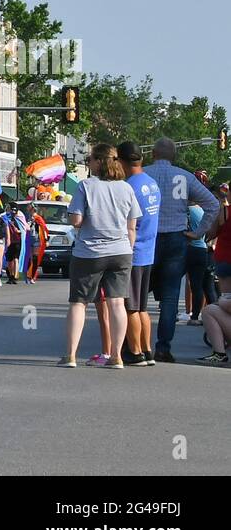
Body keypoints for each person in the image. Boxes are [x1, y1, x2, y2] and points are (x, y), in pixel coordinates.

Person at [60, 144, 141, 369]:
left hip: (89, 252)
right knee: (117, 304)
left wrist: (89, 219)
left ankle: (71, 355)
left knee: (79, 303)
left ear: (98, 161)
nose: (89, 163)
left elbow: (76, 220)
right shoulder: (126, 188)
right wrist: (128, 250)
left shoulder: (86, 186)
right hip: (121, 251)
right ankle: (116, 356)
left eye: (90, 159)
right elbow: (132, 226)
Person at [144, 137, 221, 363]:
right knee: (169, 297)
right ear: (174, 156)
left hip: (148, 239)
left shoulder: (142, 175)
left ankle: (135, 343)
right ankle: (163, 347)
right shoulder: (185, 177)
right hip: (177, 239)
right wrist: (199, 233)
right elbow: (213, 204)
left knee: (137, 293)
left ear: (153, 154)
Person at [118, 141, 159, 367]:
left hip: (134, 251)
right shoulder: (152, 184)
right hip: (149, 251)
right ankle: (147, 349)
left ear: (122, 161)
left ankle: (135, 352)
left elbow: (127, 222)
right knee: (142, 306)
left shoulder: (129, 186)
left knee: (130, 306)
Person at [23, 203, 49, 284]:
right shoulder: (26, 217)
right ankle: (27, 275)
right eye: (28, 208)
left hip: (36, 239)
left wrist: (46, 239)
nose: (29, 209)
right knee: (28, 258)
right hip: (27, 239)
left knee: (35, 257)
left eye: (30, 208)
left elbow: (44, 229)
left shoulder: (38, 218)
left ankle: (33, 276)